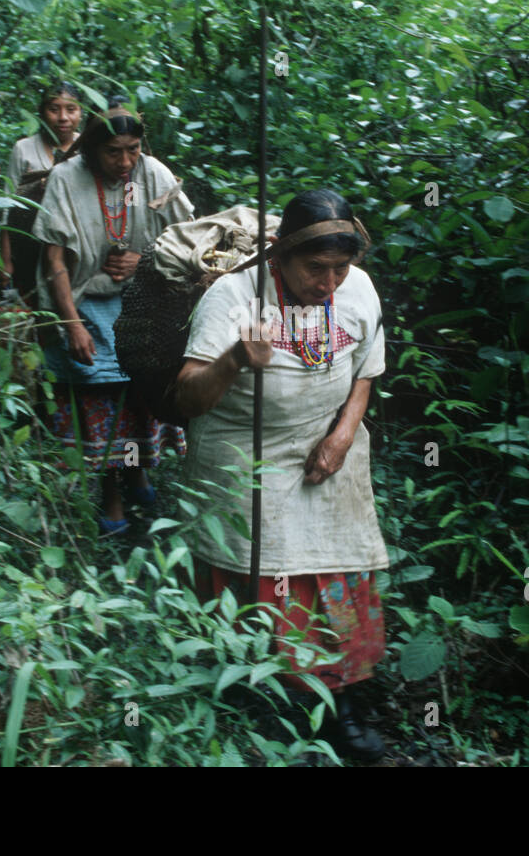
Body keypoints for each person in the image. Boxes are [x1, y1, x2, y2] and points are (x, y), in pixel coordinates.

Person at [173, 189, 389, 761]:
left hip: (325, 450)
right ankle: (261, 700)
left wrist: (343, 434)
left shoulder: (357, 290)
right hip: (247, 455)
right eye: (315, 268)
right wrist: (235, 360)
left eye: (341, 267)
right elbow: (187, 397)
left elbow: (367, 369)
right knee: (266, 578)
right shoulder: (233, 298)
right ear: (278, 255)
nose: (330, 282)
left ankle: (342, 701)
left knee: (335, 572)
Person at [32, 103, 193, 533]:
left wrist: (144, 261)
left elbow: (189, 241)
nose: (124, 162)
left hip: (144, 302)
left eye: (132, 150)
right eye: (112, 152)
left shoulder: (152, 174)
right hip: (85, 302)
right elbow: (55, 262)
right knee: (101, 403)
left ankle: (137, 473)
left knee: (141, 400)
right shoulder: (67, 179)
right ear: (89, 149)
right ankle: (112, 497)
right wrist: (72, 325)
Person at [1, 83, 84, 299]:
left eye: (71, 109)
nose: (63, 117)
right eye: (54, 109)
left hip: (72, 246)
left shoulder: (88, 150)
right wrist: (6, 260)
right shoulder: (24, 149)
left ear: (81, 113)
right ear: (42, 113)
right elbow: (7, 206)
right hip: (28, 244)